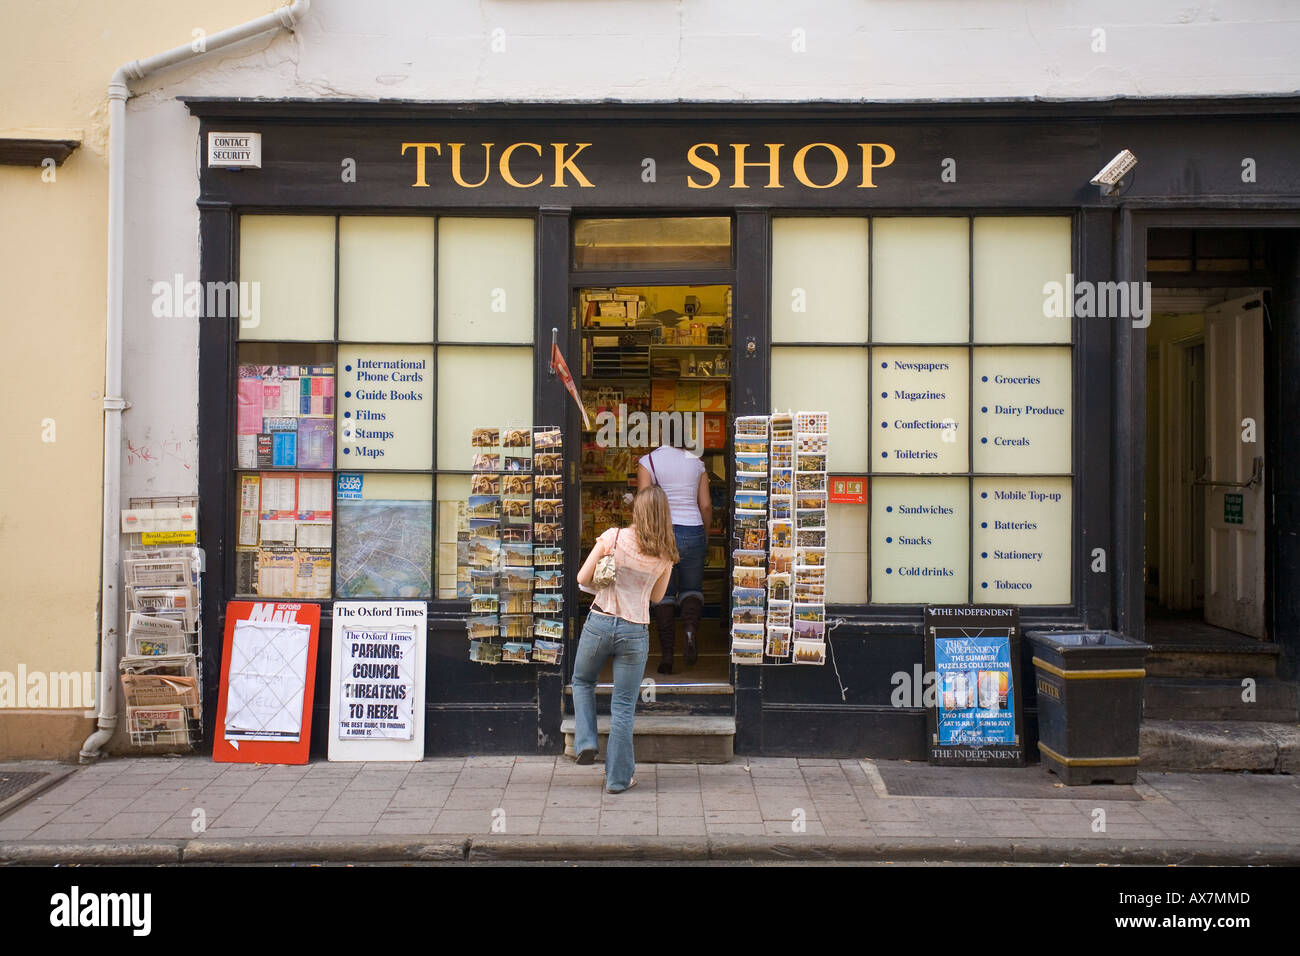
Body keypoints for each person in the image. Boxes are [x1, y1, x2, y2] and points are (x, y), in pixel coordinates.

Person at [573, 485, 678, 793]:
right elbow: (658, 597)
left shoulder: (613, 537)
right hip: (635, 630)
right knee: (622, 706)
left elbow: (582, 578)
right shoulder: (666, 554)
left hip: (600, 621)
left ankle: (586, 741)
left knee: (582, 681)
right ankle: (618, 780)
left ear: (637, 511)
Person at [636, 435, 712, 674]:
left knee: (662, 594)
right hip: (693, 529)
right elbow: (706, 505)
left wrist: (645, 536)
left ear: (660, 437)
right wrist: (705, 533)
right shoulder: (696, 462)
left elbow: (644, 502)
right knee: (692, 589)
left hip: (662, 534)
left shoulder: (648, 461)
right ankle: (690, 628)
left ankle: (667, 656)